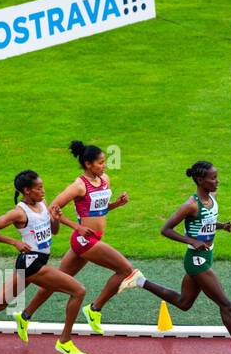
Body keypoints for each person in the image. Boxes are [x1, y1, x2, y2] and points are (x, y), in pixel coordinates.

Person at [125, 161, 231, 354]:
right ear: (201, 180)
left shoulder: (212, 197)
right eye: (213, 178)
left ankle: (139, 281)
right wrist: (192, 241)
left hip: (207, 255)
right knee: (226, 304)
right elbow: (166, 229)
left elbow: (206, 221)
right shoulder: (191, 205)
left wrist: (221, 226)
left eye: (217, 177)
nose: (217, 181)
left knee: (184, 303)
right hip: (196, 261)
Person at [0, 170, 90, 354]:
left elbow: (53, 232)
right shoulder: (19, 212)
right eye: (38, 188)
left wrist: (56, 218)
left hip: (31, 263)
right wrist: (14, 242)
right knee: (78, 291)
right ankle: (64, 341)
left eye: (42, 187)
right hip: (32, 264)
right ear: (26, 190)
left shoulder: (42, 203)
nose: (43, 191)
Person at [20, 140, 145, 336]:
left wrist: (116, 204)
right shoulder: (79, 185)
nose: (104, 165)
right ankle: (94, 309)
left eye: (104, 162)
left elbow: (99, 210)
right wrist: (77, 227)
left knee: (59, 280)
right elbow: (53, 208)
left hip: (92, 238)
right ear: (88, 164)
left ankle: (25, 315)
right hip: (84, 241)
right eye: (100, 162)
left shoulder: (105, 179)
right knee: (126, 270)